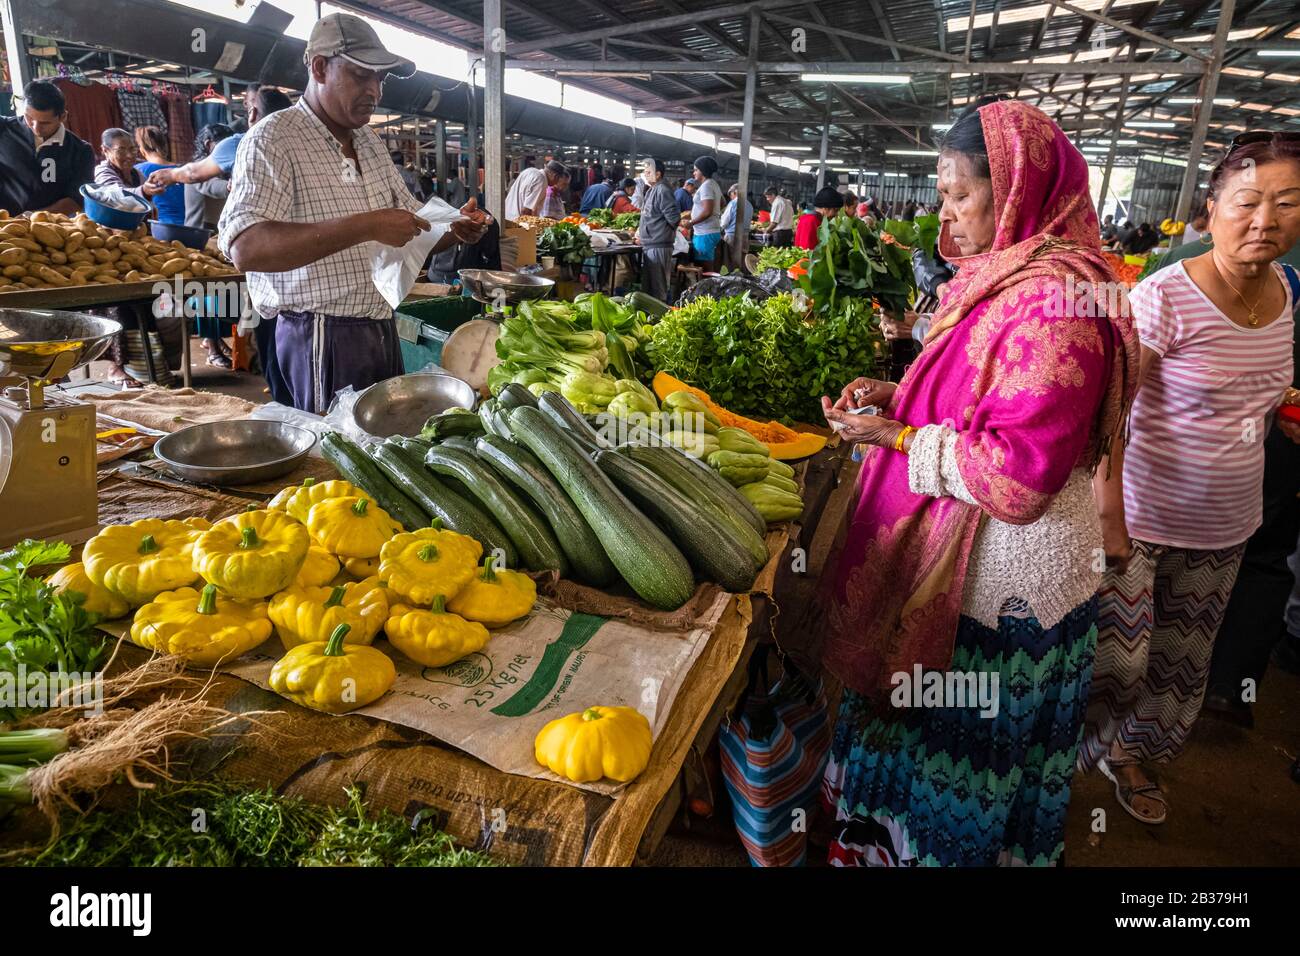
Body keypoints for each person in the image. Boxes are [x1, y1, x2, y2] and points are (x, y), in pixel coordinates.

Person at [817, 98, 1138, 867]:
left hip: (1001, 590)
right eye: (944, 193)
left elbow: (1017, 478)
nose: (946, 213)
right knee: (917, 752)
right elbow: (981, 399)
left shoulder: (1060, 301)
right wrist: (897, 396)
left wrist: (895, 437)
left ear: (1021, 188)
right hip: (968, 566)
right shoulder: (1009, 275)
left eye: (961, 194)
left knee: (957, 780)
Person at [1081, 132, 1300, 824]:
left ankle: (1129, 758)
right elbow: (1110, 413)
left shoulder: (1292, 294)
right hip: (1140, 517)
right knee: (1114, 663)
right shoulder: (1163, 298)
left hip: (1227, 524)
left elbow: (1262, 394)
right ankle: (1056, 767)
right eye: (1249, 202)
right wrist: (1109, 517)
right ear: (1212, 206)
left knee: (1178, 668)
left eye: (1289, 204)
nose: (1266, 220)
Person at [218, 12, 489, 414]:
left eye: (380, 79)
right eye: (362, 76)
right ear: (320, 67)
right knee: (330, 463)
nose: (375, 91)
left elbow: (411, 227)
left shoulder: (369, 142)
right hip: (319, 338)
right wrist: (367, 225)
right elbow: (247, 247)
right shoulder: (273, 139)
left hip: (379, 328)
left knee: (381, 456)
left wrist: (456, 228)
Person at [148, 87, 293, 189]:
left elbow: (194, 173)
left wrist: (172, 174)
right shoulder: (302, 143)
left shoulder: (240, 143)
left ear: (252, 113)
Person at [0, 79, 95, 215]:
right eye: (29, 118)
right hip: (4, 226)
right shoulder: (3, 128)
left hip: (51, 228)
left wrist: (32, 218)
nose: (35, 127)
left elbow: (76, 200)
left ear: (63, 116)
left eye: (45, 123)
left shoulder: (81, 151)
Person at [633, 157, 679, 302]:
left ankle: (660, 320)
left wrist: (658, 234)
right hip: (650, 245)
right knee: (649, 288)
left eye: (647, 172)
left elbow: (674, 219)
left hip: (659, 246)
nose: (644, 175)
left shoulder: (663, 190)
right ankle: (650, 320)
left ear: (657, 174)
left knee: (658, 289)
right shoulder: (652, 190)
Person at [184, 124, 235, 230]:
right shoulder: (197, 168)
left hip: (215, 229)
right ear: (208, 144)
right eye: (222, 147)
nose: (226, 151)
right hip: (199, 231)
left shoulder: (222, 166)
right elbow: (210, 185)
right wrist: (229, 186)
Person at [133, 126, 185, 226]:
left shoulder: (137, 170)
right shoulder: (181, 171)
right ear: (165, 146)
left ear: (142, 150)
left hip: (157, 229)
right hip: (187, 227)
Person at [688, 156, 724, 268]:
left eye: (696, 170)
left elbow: (707, 211)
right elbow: (722, 202)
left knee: (704, 269)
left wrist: (691, 222)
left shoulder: (706, 186)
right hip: (710, 230)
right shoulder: (713, 183)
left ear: (702, 171)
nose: (694, 173)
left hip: (705, 233)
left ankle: (709, 286)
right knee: (709, 266)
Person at [795, 186, 843, 250]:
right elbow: (806, 251)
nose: (836, 215)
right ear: (826, 208)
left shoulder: (819, 221)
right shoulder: (810, 221)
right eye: (836, 210)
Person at [719, 182, 746, 260]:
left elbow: (724, 222)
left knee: (728, 258)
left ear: (734, 192)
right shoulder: (749, 204)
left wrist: (719, 228)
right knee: (741, 258)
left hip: (732, 236)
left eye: (730, 194)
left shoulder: (733, 204)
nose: (730, 197)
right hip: (744, 236)